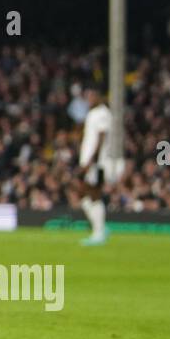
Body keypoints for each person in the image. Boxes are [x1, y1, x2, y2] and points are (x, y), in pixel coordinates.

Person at [76, 88, 114, 245]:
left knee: (94, 193)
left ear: (99, 96)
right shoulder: (92, 113)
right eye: (87, 96)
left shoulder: (103, 113)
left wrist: (91, 162)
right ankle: (100, 227)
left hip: (98, 162)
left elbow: (101, 138)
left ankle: (99, 232)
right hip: (87, 161)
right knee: (83, 192)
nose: (89, 99)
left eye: (92, 95)